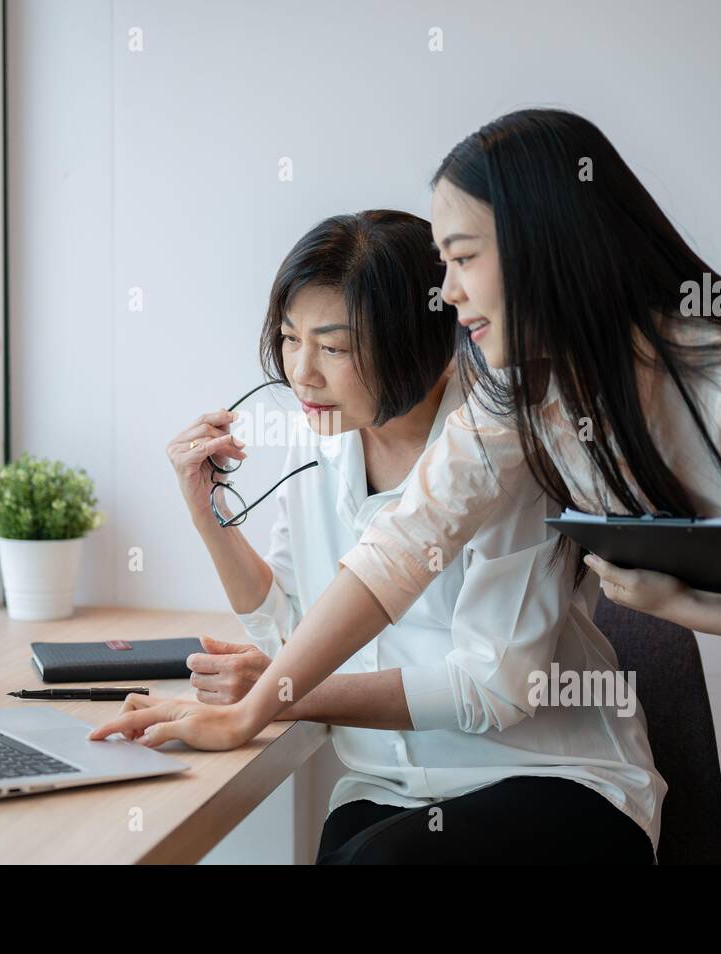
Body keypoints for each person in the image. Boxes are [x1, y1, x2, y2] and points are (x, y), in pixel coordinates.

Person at [91, 111, 721, 864]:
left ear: (544, 251)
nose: (447, 291)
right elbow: (402, 548)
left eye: (461, 259)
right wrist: (259, 702)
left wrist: (680, 605)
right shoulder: (522, 392)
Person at [152, 210, 664, 863]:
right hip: (387, 787)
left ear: (422, 339)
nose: (301, 373)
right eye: (289, 338)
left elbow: (495, 686)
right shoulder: (322, 437)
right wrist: (208, 517)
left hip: (548, 778)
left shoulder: (504, 450)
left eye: (334, 347)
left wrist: (281, 693)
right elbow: (290, 635)